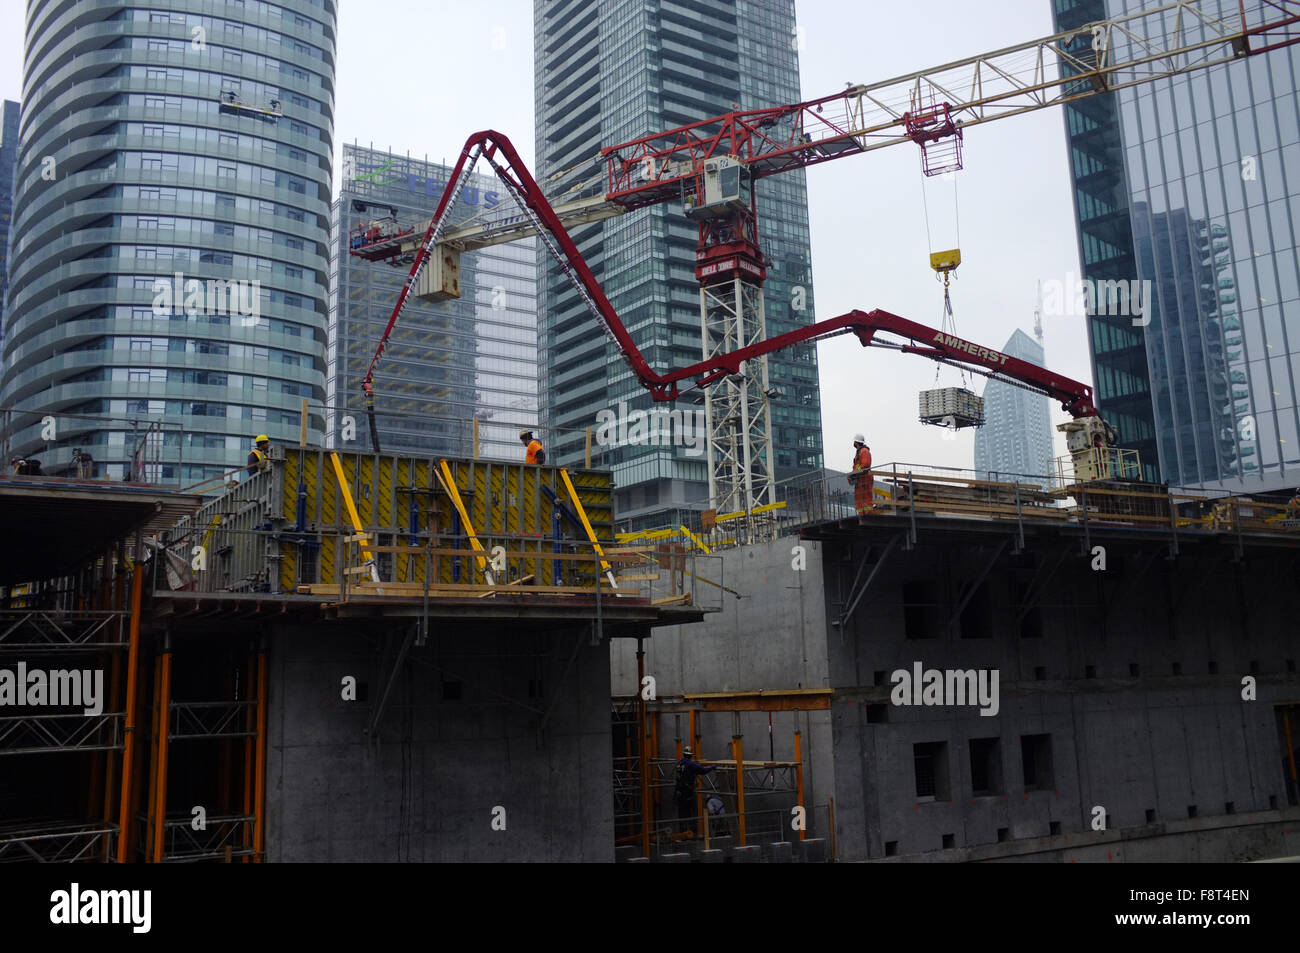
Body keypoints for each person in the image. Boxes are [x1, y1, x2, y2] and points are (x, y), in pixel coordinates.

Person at [674, 746, 716, 836]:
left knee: (682, 813)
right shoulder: (691, 764)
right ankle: (693, 832)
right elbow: (703, 770)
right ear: (691, 755)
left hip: (679, 791)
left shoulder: (680, 762)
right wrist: (712, 766)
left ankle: (683, 833)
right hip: (687, 792)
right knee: (692, 812)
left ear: (684, 754)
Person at [849, 434, 873, 515]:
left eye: (854, 441)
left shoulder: (864, 452)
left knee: (866, 496)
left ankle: (868, 513)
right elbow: (857, 466)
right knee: (859, 497)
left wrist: (854, 472)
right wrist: (852, 474)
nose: (853, 443)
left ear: (857, 442)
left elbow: (865, 464)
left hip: (865, 478)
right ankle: (861, 513)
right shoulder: (859, 453)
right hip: (860, 479)